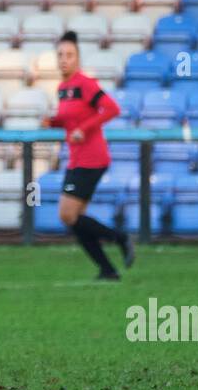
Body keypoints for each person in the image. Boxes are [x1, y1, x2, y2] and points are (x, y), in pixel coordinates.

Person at [41, 31, 132, 280]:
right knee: (74, 219)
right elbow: (72, 119)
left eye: (69, 55)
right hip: (77, 158)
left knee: (67, 214)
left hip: (92, 158)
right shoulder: (63, 88)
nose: (64, 59)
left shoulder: (85, 83)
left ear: (77, 58)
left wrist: (85, 128)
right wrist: (54, 121)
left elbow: (111, 108)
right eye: (60, 55)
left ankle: (119, 237)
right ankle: (108, 270)